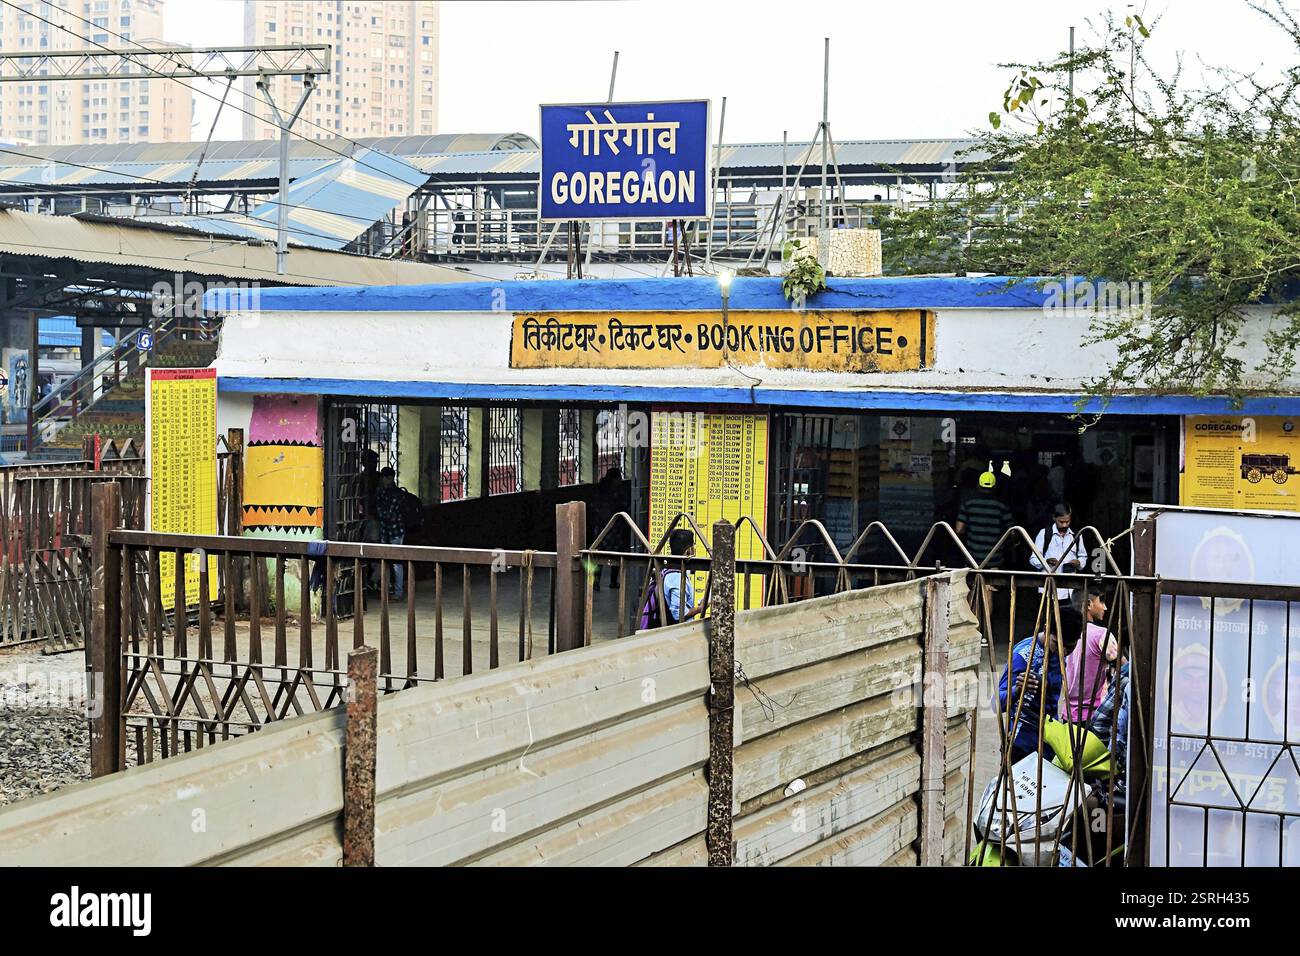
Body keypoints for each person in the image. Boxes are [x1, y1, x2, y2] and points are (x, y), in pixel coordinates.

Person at [995, 607, 1083, 763]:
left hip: (1049, 741)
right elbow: (996, 704)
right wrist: (1017, 690)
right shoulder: (1023, 656)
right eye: (1057, 643)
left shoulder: (1061, 652)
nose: (1063, 651)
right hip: (1020, 746)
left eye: (1070, 647)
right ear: (1046, 629)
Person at [1062, 585, 1119, 724]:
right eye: (1101, 601)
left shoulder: (1064, 632)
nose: (1105, 607)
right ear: (1088, 604)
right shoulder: (1101, 635)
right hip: (1096, 714)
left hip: (1068, 714)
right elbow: (1124, 668)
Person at [1030, 502, 1088, 602]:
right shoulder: (1044, 534)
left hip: (1070, 591)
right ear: (1054, 518)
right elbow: (1033, 559)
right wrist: (1045, 561)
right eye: (1061, 522)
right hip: (1048, 591)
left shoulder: (1076, 535)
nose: (1065, 525)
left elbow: (1083, 556)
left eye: (1067, 521)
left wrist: (1079, 562)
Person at [955, 469, 1013, 566]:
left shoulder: (968, 505)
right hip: (995, 560)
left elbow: (959, 530)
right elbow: (1012, 532)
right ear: (995, 487)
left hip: (973, 560)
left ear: (978, 486)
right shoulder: (1002, 507)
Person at [661, 529, 709, 624]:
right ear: (688, 551)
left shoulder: (667, 569)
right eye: (693, 547)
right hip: (677, 634)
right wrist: (701, 608)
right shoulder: (677, 578)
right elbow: (678, 614)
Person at [373, 467, 406, 599]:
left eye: (385, 478)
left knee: (396, 563)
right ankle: (385, 591)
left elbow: (390, 515)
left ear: (390, 478)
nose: (383, 480)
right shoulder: (382, 491)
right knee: (386, 562)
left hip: (395, 531)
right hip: (387, 530)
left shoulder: (395, 494)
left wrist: (379, 513)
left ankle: (397, 593)